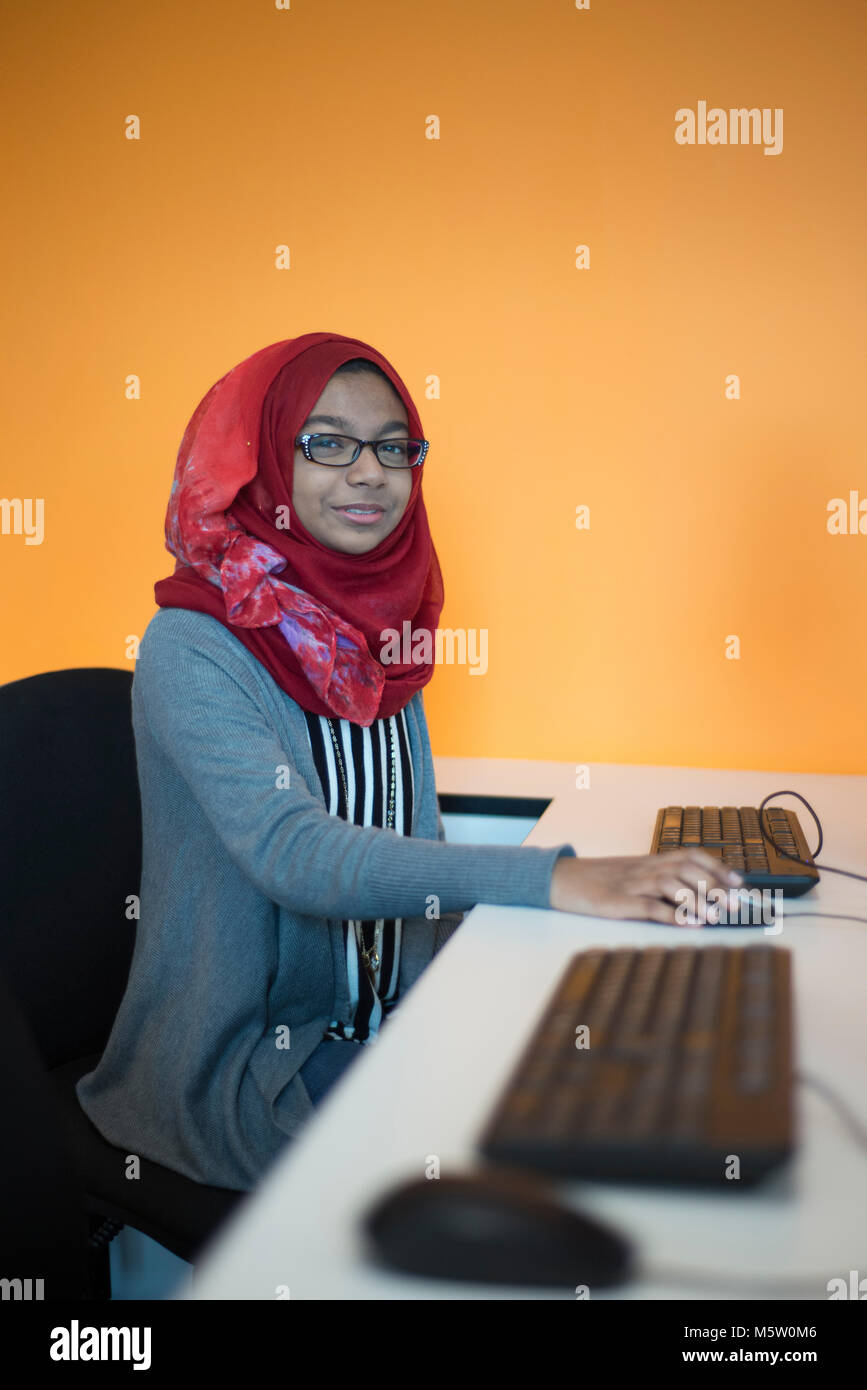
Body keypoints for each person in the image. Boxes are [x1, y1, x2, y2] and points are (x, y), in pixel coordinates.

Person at [75, 332, 739, 1192]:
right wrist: (557, 880)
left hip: (391, 1021)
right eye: (326, 443)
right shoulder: (192, 646)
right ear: (261, 464)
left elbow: (401, 828)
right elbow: (296, 856)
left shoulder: (378, 632)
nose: (369, 472)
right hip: (258, 1070)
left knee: (632, 1075)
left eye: (394, 447)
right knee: (548, 1170)